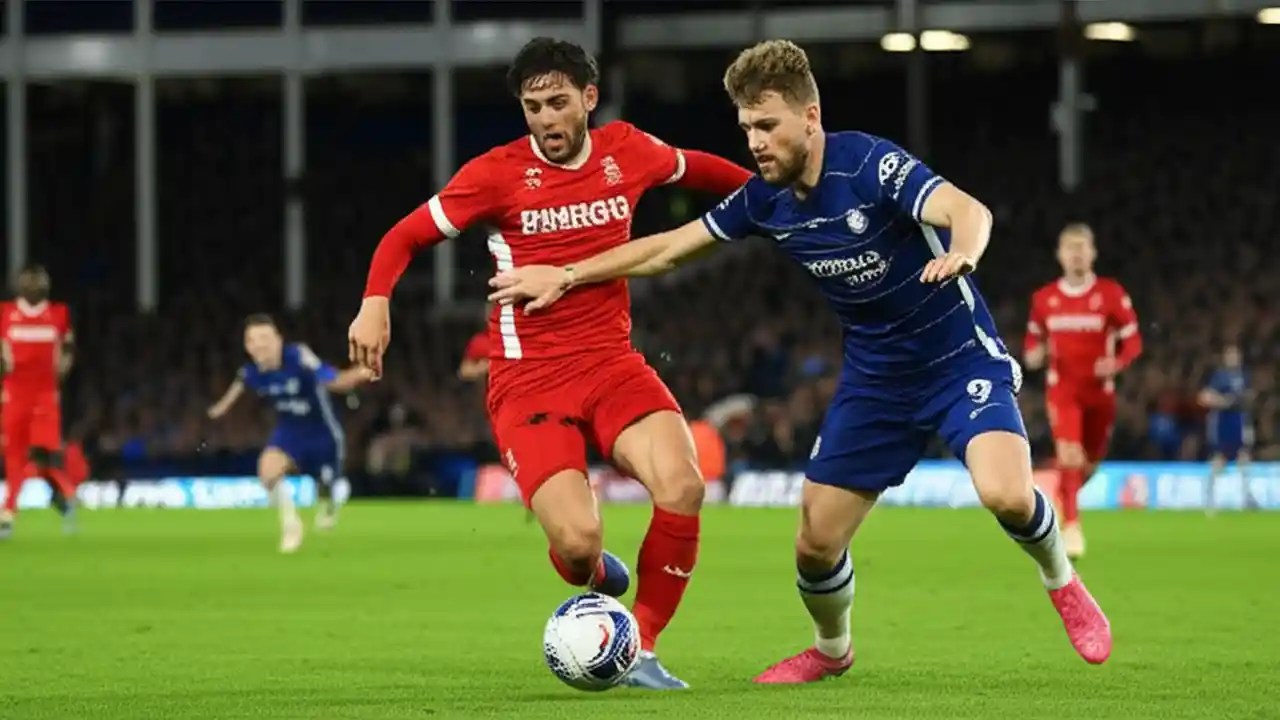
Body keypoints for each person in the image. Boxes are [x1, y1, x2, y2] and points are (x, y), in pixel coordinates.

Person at [487, 39, 1113, 683]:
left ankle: (1062, 582)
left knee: (1007, 494)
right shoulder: (766, 198)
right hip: (875, 381)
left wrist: (965, 253)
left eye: (767, 126)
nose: (755, 143)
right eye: (747, 128)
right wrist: (566, 274)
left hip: (956, 360)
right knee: (815, 545)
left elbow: (966, 210)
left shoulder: (868, 164)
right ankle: (832, 650)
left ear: (810, 117)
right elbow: (668, 249)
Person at [347, 37, 751, 689]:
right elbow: (406, 235)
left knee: (683, 485)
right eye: (532, 106)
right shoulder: (495, 173)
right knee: (577, 544)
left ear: (588, 99)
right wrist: (374, 303)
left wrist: (774, 197)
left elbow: (698, 168)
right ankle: (595, 577)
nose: (544, 119)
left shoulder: (628, 151)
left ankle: (640, 645)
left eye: (557, 102)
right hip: (528, 382)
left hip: (613, 365)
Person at [1024, 223, 1142, 559]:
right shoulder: (1045, 299)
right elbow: (1033, 341)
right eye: (1070, 248)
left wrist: (1117, 362)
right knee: (1070, 456)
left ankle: (1062, 496)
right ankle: (1072, 527)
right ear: (1060, 255)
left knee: (1088, 463)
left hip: (1099, 394)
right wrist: (1034, 355)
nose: (1076, 254)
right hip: (1063, 392)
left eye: (1082, 247)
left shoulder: (1110, 295)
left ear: (1093, 253)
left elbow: (1133, 341)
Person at [208, 314, 373, 553]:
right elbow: (231, 395)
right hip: (289, 432)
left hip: (323, 433)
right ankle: (291, 525)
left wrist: (359, 373)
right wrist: (215, 411)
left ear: (279, 340)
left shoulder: (299, 357)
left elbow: (333, 380)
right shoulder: (251, 372)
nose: (260, 344)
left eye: (265, 337)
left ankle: (329, 503)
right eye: (253, 340)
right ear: (247, 346)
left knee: (326, 492)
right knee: (267, 471)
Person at [0, 264, 78, 539]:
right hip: (14, 394)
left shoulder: (59, 314)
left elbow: (68, 345)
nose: (34, 284)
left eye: (38, 280)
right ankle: (8, 513)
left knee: (42, 456)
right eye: (29, 280)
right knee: (14, 455)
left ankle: (64, 498)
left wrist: (62, 371)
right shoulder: (6, 313)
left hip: (45, 396)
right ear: (20, 285)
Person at [1198, 343, 1256, 514]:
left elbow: (1249, 396)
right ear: (1225, 358)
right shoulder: (1218, 376)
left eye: (1236, 354)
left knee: (1243, 456)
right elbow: (1204, 397)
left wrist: (1243, 401)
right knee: (1219, 458)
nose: (1233, 358)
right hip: (1222, 420)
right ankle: (1210, 499)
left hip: (1240, 420)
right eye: (1230, 354)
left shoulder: (1245, 375)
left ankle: (1247, 498)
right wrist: (1224, 401)